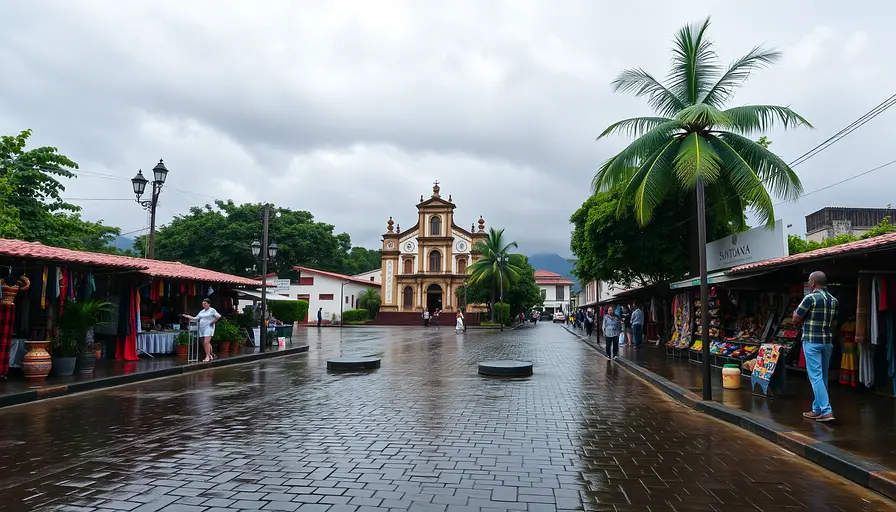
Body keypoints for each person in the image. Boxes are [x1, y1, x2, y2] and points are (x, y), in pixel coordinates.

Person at [793, 271, 839, 423]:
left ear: (812, 283)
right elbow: (834, 323)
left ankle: (826, 411)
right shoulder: (834, 300)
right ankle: (817, 409)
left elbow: (796, 318)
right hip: (827, 342)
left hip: (812, 342)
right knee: (822, 377)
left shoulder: (810, 298)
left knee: (815, 377)